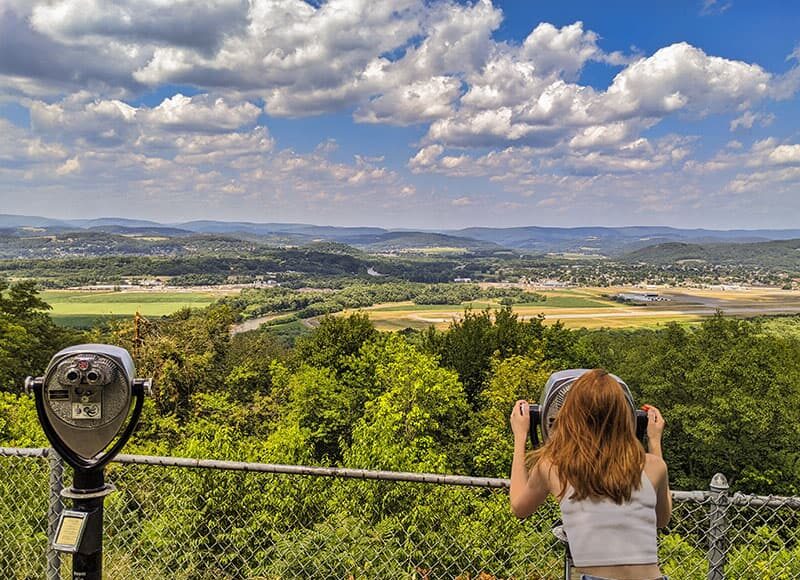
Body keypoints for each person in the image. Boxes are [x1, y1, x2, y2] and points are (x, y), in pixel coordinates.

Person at [509, 369, 672, 580]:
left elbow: (519, 507)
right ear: (627, 417)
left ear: (570, 414)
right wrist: (655, 442)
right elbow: (661, 519)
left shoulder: (554, 466)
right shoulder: (654, 467)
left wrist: (520, 436)